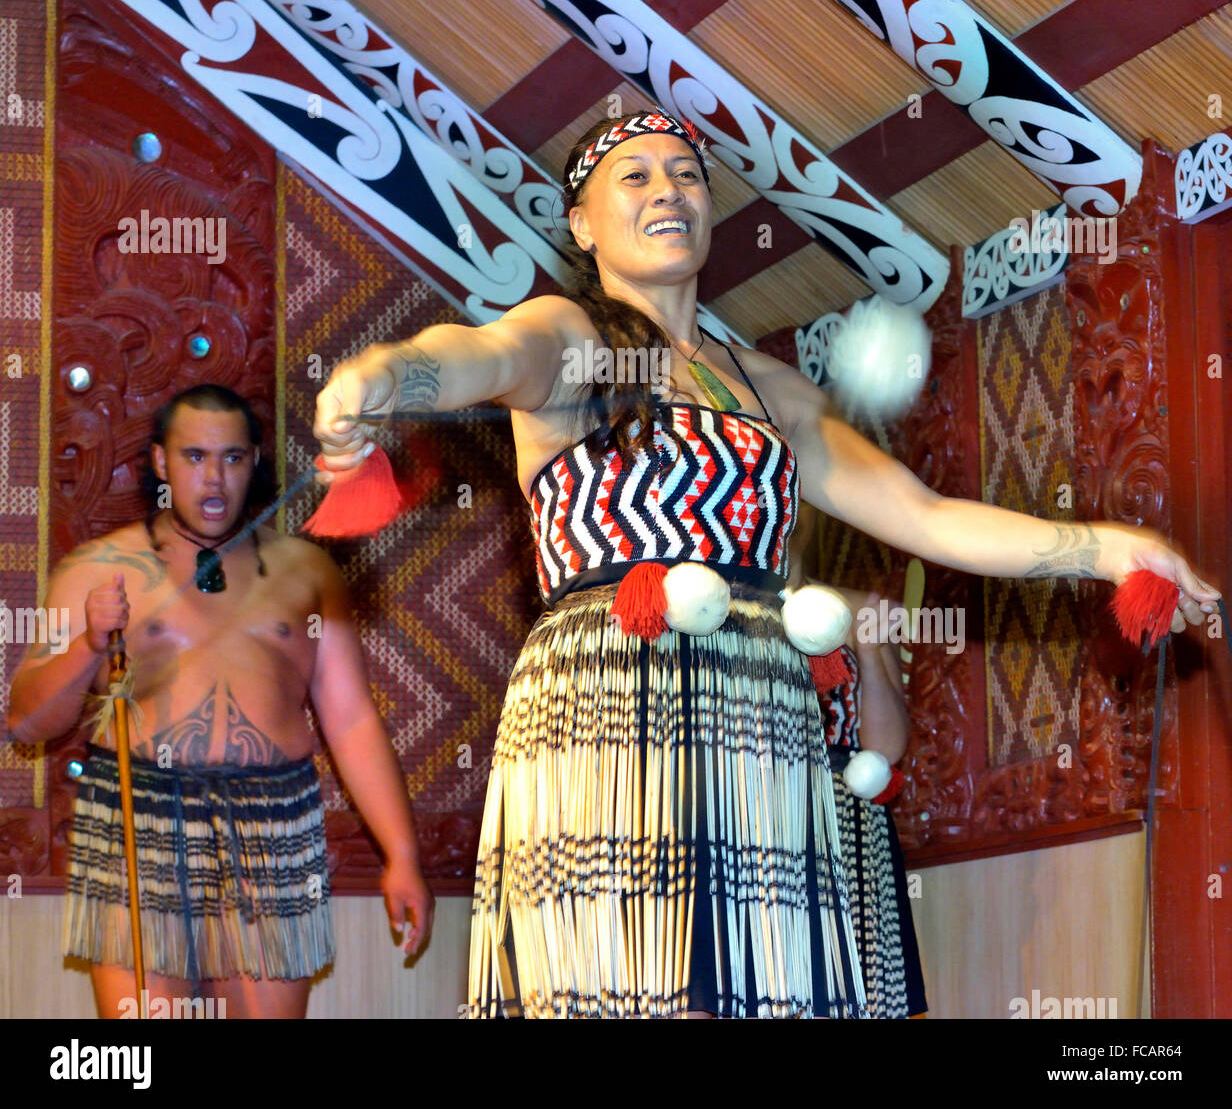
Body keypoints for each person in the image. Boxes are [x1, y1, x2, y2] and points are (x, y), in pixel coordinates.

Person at [312, 108, 1220, 1019]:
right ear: (582, 226)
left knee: (755, 990)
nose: (667, 189)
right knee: (635, 988)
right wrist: (381, 382)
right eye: (635, 176)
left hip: (762, 714)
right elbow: (471, 355)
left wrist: (1107, 547)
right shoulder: (570, 340)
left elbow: (928, 517)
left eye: (686, 174)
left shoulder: (770, 389)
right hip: (609, 704)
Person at [8, 384, 433, 1019]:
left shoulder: (306, 572)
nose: (215, 477)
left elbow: (351, 721)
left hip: (273, 821)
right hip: (137, 816)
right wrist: (88, 644)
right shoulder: (98, 570)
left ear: (255, 461)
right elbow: (25, 721)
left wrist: (402, 855)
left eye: (233, 458)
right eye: (195, 457)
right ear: (159, 462)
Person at [787, 501, 926, 1018]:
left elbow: (887, 751)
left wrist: (867, 650)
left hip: (850, 821)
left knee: (856, 984)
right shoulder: (725, 617)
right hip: (764, 809)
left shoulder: (856, 609)